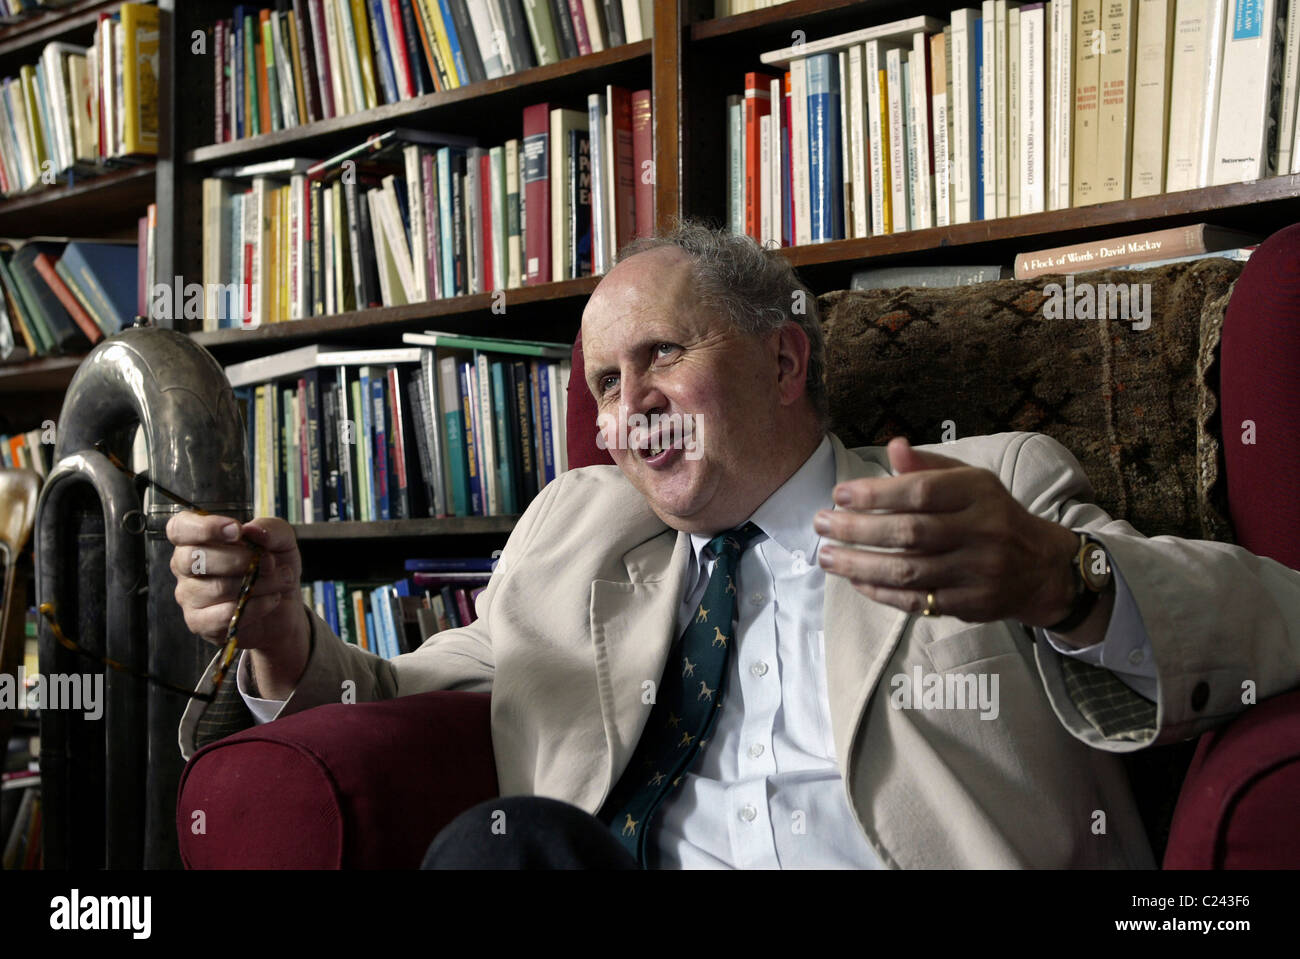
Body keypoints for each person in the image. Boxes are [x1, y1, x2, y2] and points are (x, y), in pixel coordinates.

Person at [167, 221, 1300, 868]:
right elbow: (396, 688)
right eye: (604, 384)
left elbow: (1271, 620)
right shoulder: (575, 532)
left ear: (781, 363)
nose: (625, 408)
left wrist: (1064, 580)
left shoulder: (986, 485)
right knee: (497, 845)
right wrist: (279, 636)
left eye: (659, 353)